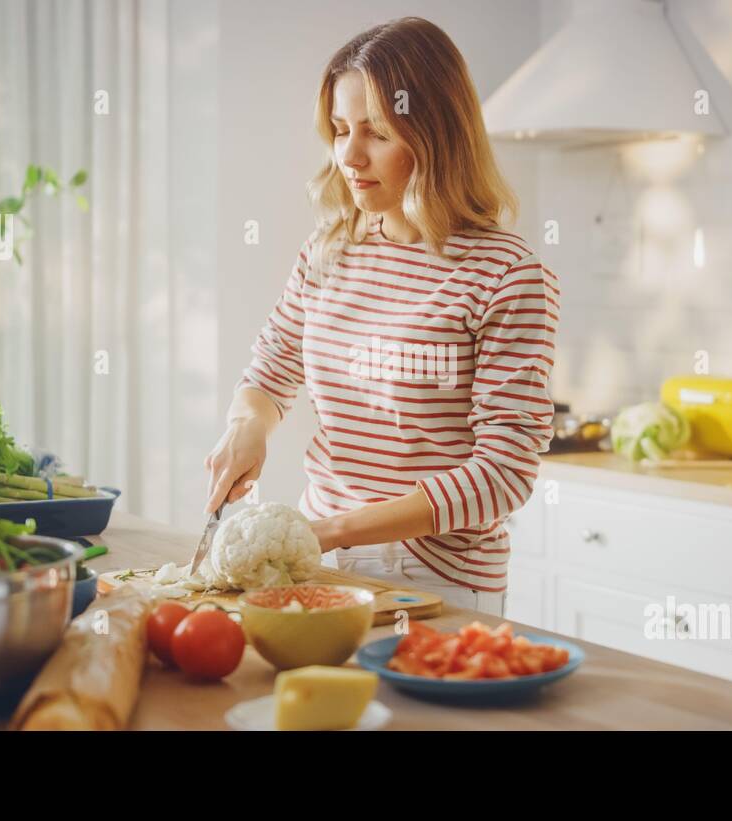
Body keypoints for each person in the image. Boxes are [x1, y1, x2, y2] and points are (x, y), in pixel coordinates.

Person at [204, 17, 559, 618]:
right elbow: (271, 369)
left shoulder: (506, 274)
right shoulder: (330, 250)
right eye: (340, 130)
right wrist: (248, 426)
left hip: (438, 579)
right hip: (318, 556)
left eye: (377, 133)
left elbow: (504, 472)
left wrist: (336, 530)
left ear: (436, 136)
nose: (348, 154)